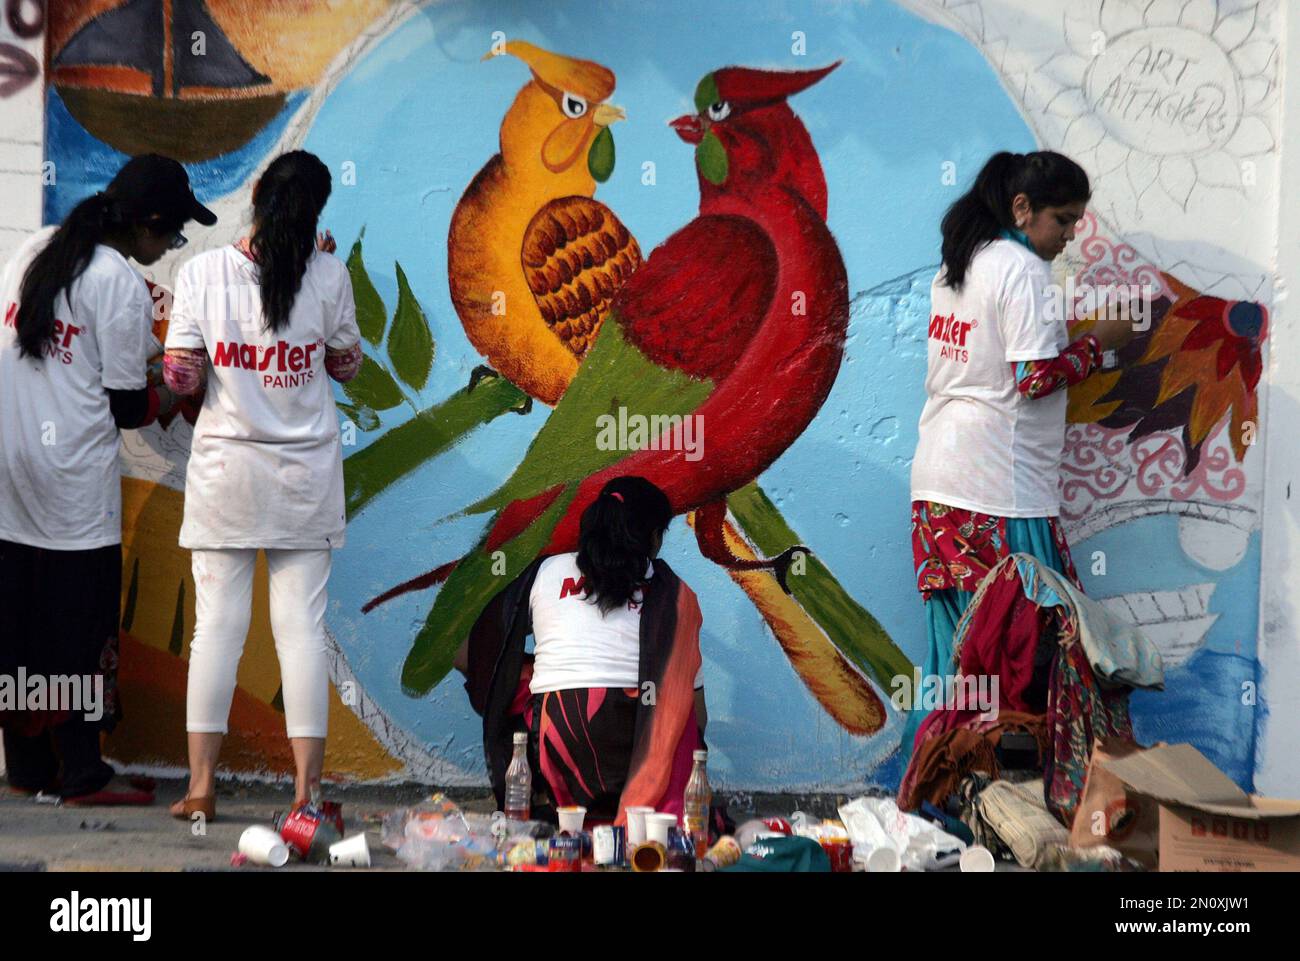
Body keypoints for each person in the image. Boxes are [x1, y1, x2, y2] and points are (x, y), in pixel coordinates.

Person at [903, 150, 1136, 758]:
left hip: (938, 491)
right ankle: (1016, 791)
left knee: (958, 655)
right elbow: (1032, 379)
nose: (1068, 236)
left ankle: (938, 784)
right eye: (1063, 220)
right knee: (1034, 647)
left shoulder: (962, 263)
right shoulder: (1022, 270)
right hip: (998, 492)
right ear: (1023, 208)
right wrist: (1096, 344)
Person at [0, 154, 215, 805]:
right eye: (173, 236)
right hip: (70, 486)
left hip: (11, 476)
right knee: (79, 626)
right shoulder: (117, 283)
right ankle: (86, 773)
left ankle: (32, 768)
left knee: (23, 625)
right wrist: (175, 391)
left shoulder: (37, 249)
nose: (169, 248)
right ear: (147, 224)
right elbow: (127, 407)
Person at [163, 151, 362, 821]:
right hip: (304, 481)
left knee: (215, 630)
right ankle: (306, 793)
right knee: (301, 634)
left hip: (227, 480)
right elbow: (348, 365)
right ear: (316, 212)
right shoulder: (330, 275)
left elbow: (180, 378)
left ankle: (200, 787)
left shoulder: (202, 273)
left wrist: (197, 365)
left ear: (255, 195)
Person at [456, 476, 707, 825]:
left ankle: (546, 796)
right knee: (675, 701)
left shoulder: (545, 572)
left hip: (556, 744)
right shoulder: (676, 596)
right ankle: (651, 806)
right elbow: (698, 716)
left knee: (515, 671)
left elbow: (468, 655)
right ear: (652, 538)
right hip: (640, 749)